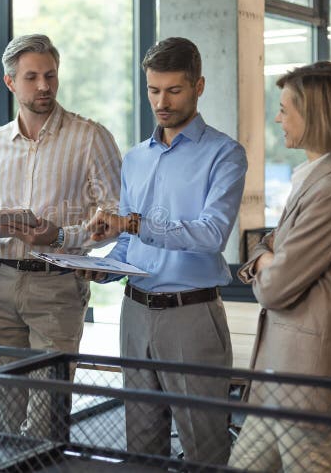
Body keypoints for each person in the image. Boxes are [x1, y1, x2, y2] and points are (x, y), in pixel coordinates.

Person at [80, 37, 247, 465]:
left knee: (205, 447)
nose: (161, 102)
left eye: (173, 90)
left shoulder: (225, 154)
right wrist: (104, 268)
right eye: (153, 90)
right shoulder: (135, 158)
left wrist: (132, 224)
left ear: (198, 86)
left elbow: (212, 234)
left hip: (191, 317)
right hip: (135, 314)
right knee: (141, 447)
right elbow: (128, 242)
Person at [0, 34, 122, 435]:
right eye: (31, 77)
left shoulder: (90, 137)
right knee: (5, 411)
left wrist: (60, 236)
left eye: (50, 75)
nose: (44, 86)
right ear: (10, 82)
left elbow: (117, 217)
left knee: (46, 418)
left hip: (57, 286)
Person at [228, 61, 331, 472]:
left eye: (284, 109)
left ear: (315, 115)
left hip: (305, 377)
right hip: (281, 372)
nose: (278, 119)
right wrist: (268, 255)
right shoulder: (317, 178)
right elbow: (268, 248)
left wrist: (265, 257)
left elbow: (274, 287)